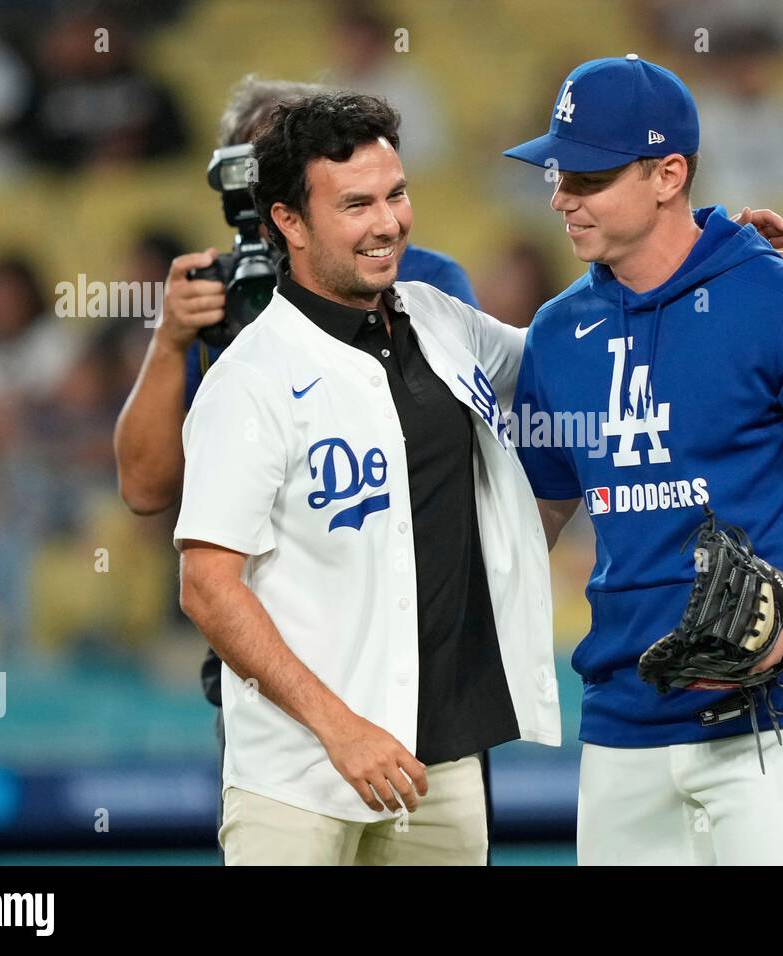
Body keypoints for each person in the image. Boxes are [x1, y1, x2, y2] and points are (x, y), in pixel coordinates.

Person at [503, 55, 783, 865]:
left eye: (588, 177)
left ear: (668, 175)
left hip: (781, 719)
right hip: (622, 720)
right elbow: (539, 509)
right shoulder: (557, 332)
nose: (561, 198)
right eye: (558, 175)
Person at [175, 92, 561, 865]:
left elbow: (565, 350)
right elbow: (207, 586)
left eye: (396, 194)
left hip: (440, 761)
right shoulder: (250, 377)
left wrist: (699, 256)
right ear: (289, 221)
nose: (387, 223)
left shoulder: (442, 320)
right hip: (296, 776)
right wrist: (341, 729)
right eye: (355, 204)